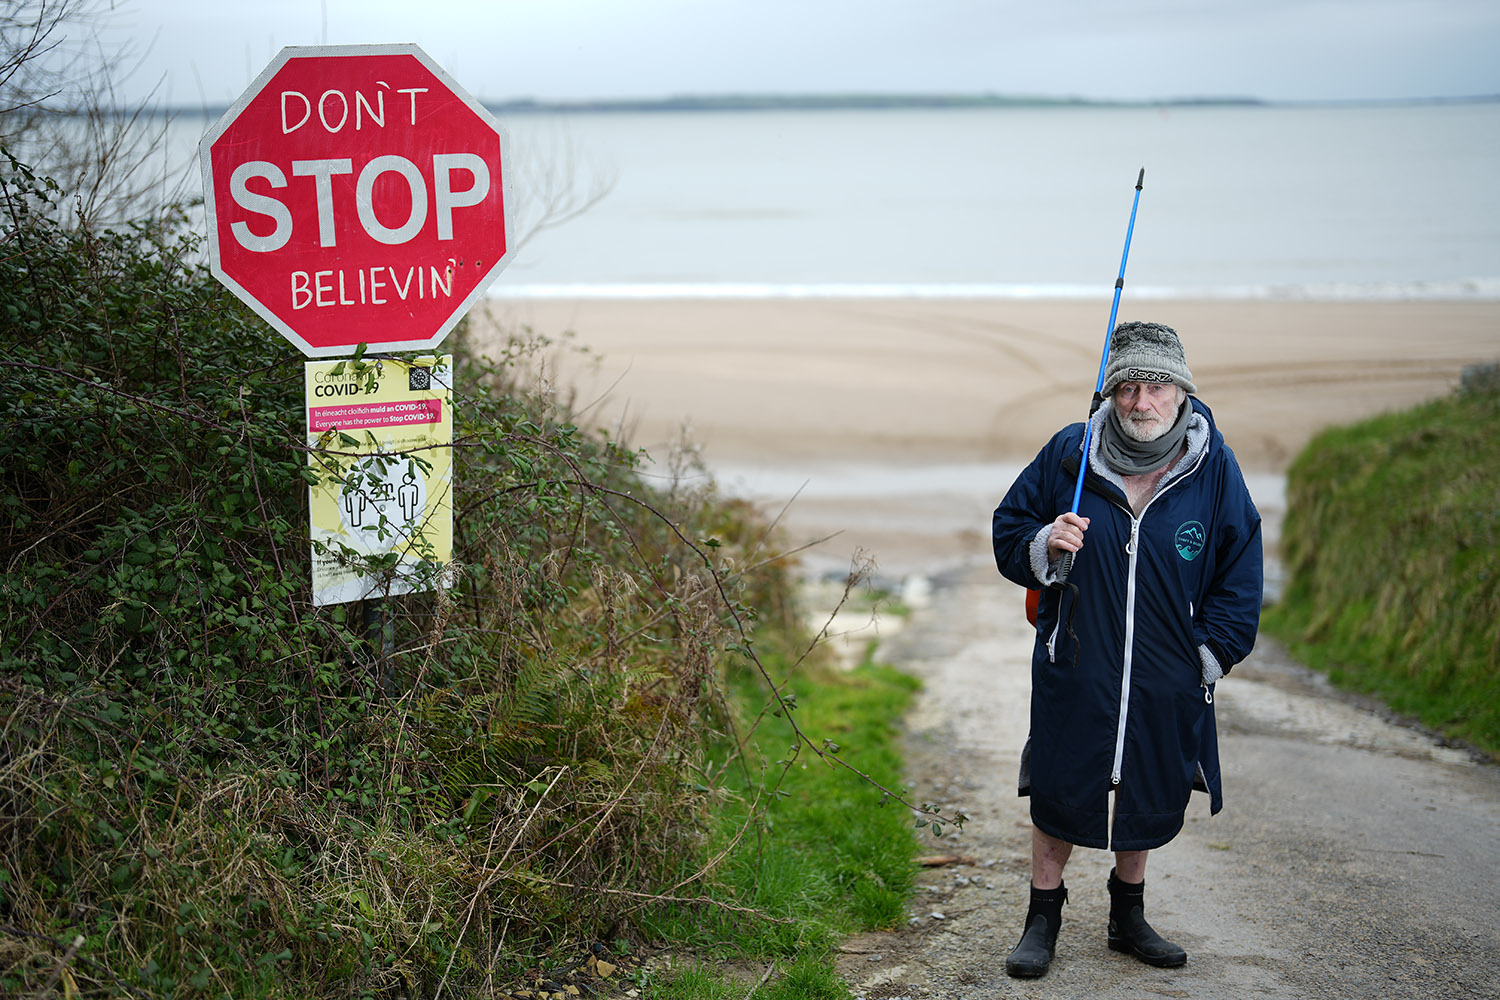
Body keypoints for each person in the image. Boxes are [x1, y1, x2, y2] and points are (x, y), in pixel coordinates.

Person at [991, 321, 1263, 978]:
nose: (1142, 402)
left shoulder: (1213, 468)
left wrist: (1209, 655)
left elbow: (1241, 568)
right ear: (1111, 393)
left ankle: (1128, 916)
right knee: (1060, 783)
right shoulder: (1069, 455)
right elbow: (1008, 532)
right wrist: (1045, 542)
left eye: (1158, 386)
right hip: (1077, 660)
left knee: (1144, 783)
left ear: (1182, 391)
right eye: (1129, 387)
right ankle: (1041, 917)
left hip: (1168, 671)